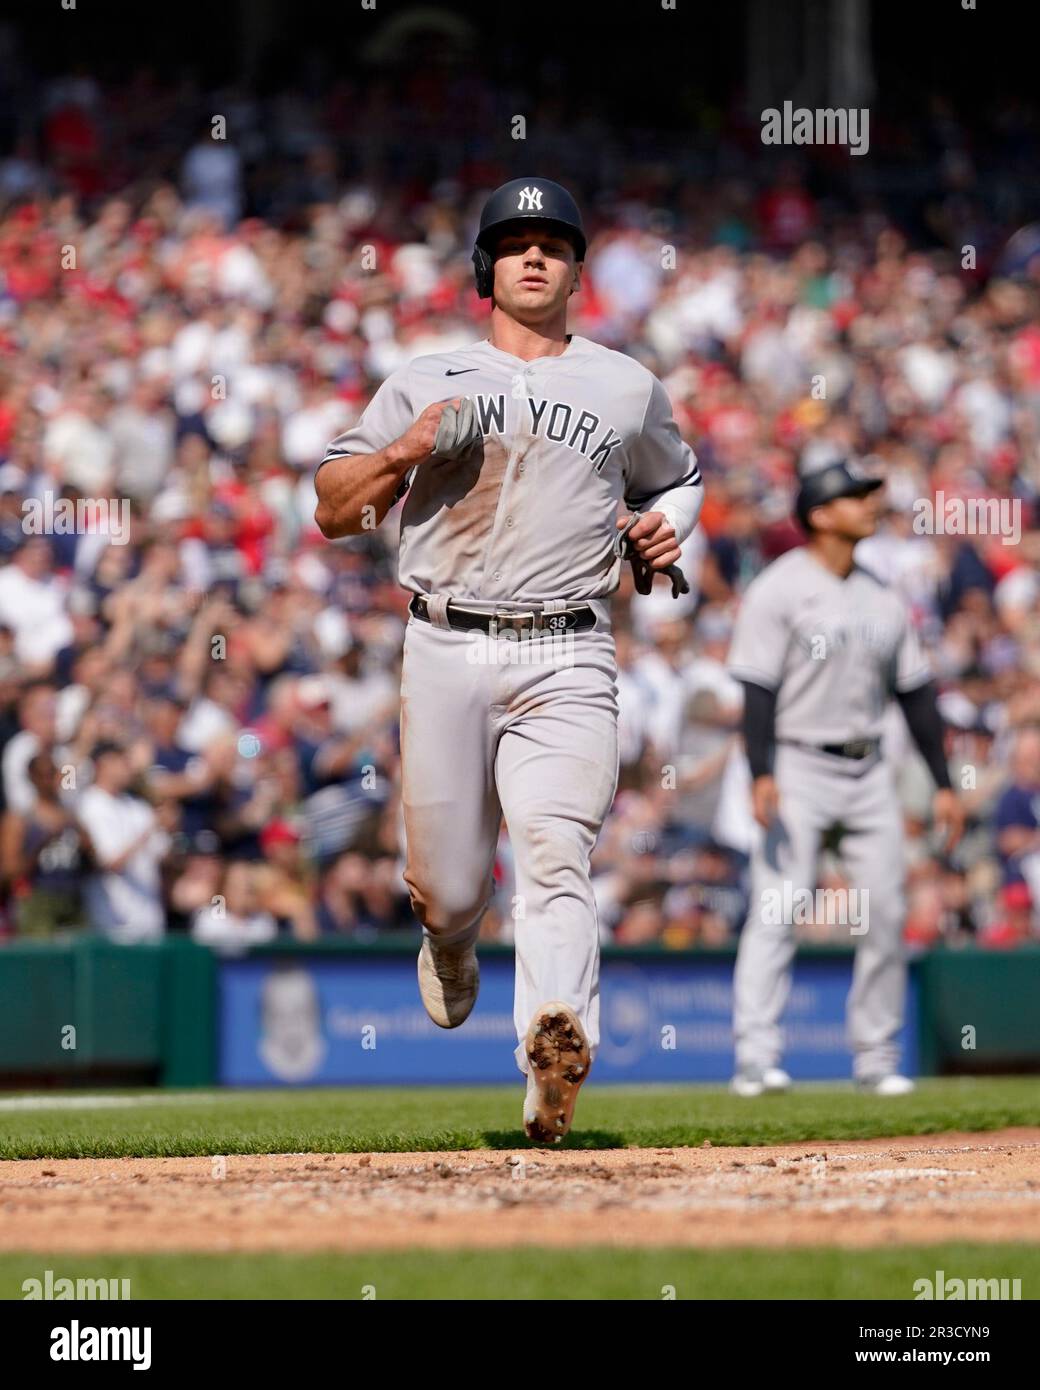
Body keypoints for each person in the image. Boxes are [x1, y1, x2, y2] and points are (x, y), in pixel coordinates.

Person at [315, 177, 704, 1142]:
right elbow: (333, 512)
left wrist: (661, 531)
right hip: (445, 641)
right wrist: (405, 451)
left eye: (554, 243)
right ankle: (450, 942)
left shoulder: (624, 384)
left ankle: (550, 1041)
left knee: (553, 851)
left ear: (577, 269)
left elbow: (684, 479)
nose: (535, 255)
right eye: (515, 241)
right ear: (485, 268)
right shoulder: (424, 376)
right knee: (448, 885)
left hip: (569, 648)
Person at [726, 460, 964, 1098]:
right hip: (798, 761)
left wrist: (943, 782)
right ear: (821, 514)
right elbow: (757, 687)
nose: (867, 505)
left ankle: (877, 1058)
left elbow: (916, 694)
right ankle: (755, 1056)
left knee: (885, 911)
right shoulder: (779, 588)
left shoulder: (882, 594)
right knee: (778, 909)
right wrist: (762, 771)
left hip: (869, 770)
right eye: (854, 497)